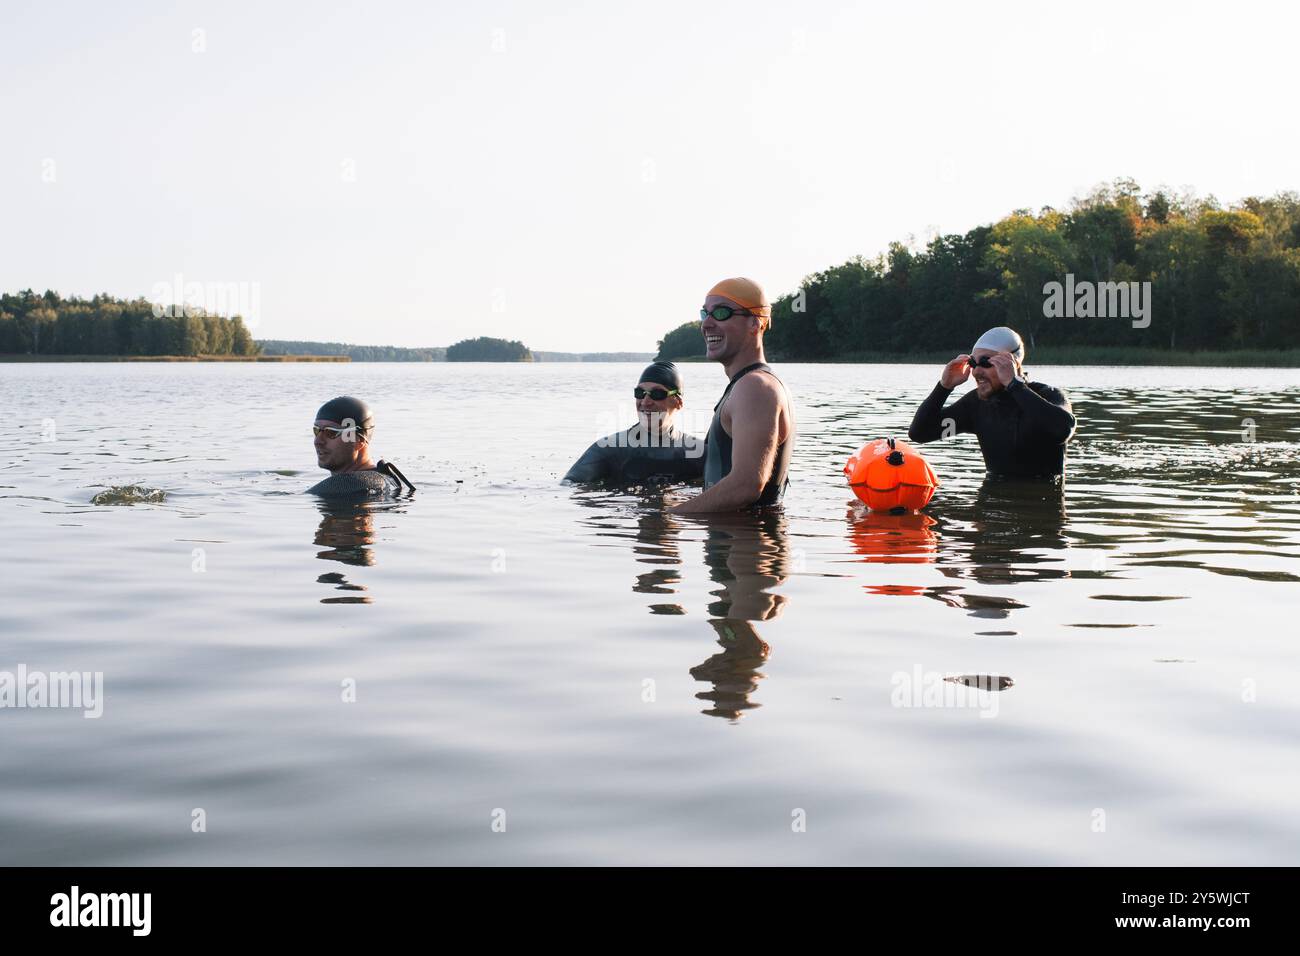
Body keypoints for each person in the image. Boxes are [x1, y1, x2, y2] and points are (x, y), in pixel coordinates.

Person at [671, 277, 795, 513]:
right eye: (704, 313)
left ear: (755, 323)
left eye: (721, 313)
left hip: (745, 547)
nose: (706, 324)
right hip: (738, 543)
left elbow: (746, 486)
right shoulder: (752, 384)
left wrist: (671, 517)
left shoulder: (755, 387)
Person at [908, 326, 1076, 479]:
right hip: (992, 502)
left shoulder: (1048, 396)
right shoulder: (976, 405)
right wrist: (944, 387)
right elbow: (921, 433)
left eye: (986, 362)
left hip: (1040, 504)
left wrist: (1013, 385)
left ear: (1013, 362)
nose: (977, 372)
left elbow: (1061, 430)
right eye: (972, 363)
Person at [562, 362, 705, 485]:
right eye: (639, 393)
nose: (645, 402)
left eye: (657, 394)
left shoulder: (699, 453)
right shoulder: (609, 449)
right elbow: (569, 486)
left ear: (678, 402)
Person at [307, 395, 416, 497]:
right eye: (316, 430)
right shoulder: (382, 479)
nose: (318, 441)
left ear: (358, 441)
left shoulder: (352, 483)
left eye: (330, 432)